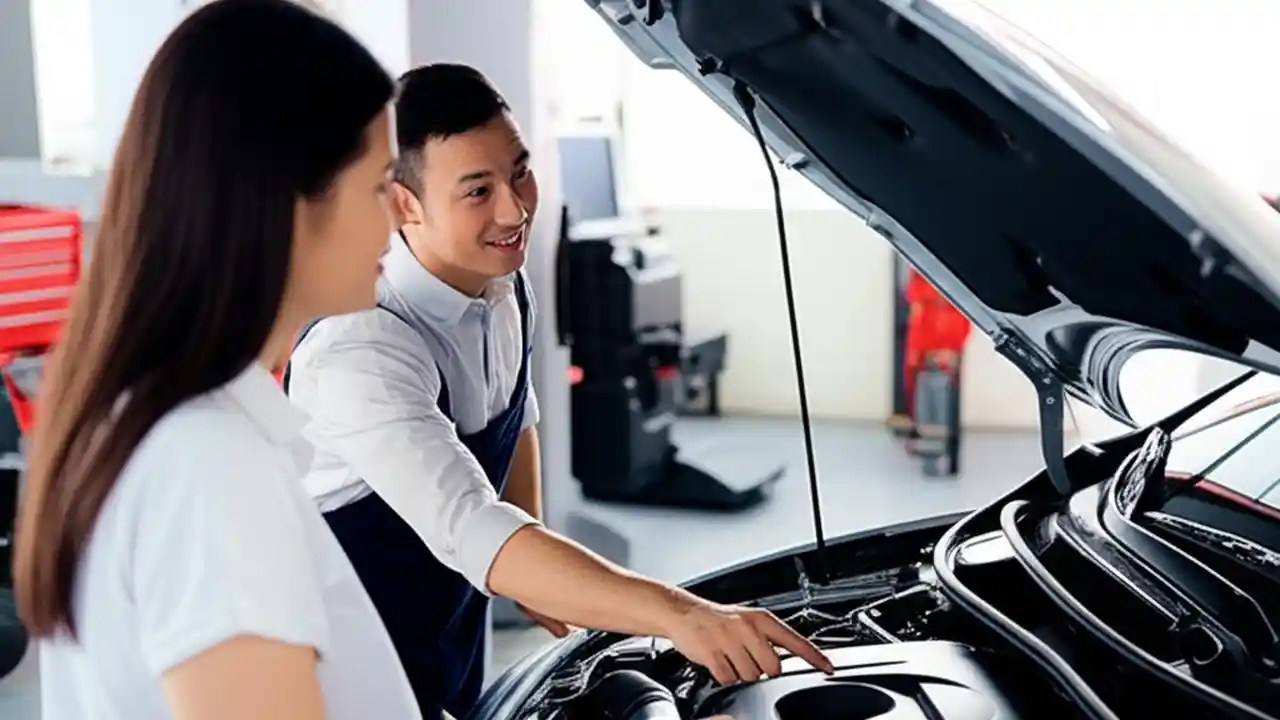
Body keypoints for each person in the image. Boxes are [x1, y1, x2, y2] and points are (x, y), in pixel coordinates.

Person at [285, 63, 834, 720]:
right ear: (405, 203)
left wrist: (539, 571)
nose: (515, 210)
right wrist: (684, 616)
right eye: (476, 191)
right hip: (341, 677)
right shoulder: (361, 347)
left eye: (519, 171)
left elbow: (515, 420)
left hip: (451, 640)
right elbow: (472, 524)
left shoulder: (502, 285)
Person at [12, 2, 422, 718]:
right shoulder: (210, 465)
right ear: (289, 201)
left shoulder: (160, 427)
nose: (397, 212)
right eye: (377, 182)